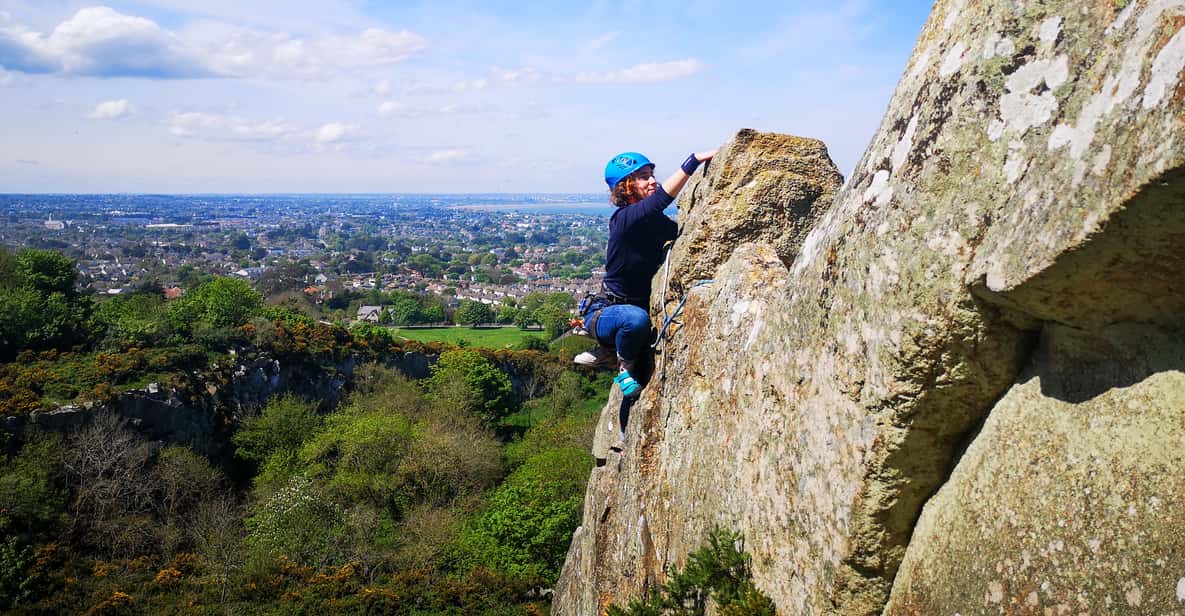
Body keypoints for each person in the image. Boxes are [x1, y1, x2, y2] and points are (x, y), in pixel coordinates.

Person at [575, 148, 717, 406]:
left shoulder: (655, 223)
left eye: (651, 174)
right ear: (625, 187)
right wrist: (694, 161)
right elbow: (662, 199)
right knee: (634, 319)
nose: (652, 180)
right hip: (610, 311)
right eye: (642, 177)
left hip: (639, 309)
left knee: (641, 380)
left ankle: (611, 353)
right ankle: (622, 364)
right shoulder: (624, 220)